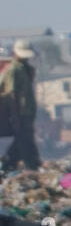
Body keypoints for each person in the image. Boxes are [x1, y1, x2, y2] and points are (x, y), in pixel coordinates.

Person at [0, 40, 40, 171]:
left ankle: (8, 164)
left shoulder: (25, 69)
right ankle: (30, 165)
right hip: (19, 113)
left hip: (27, 113)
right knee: (24, 141)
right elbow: (12, 95)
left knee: (24, 139)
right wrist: (15, 117)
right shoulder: (13, 70)